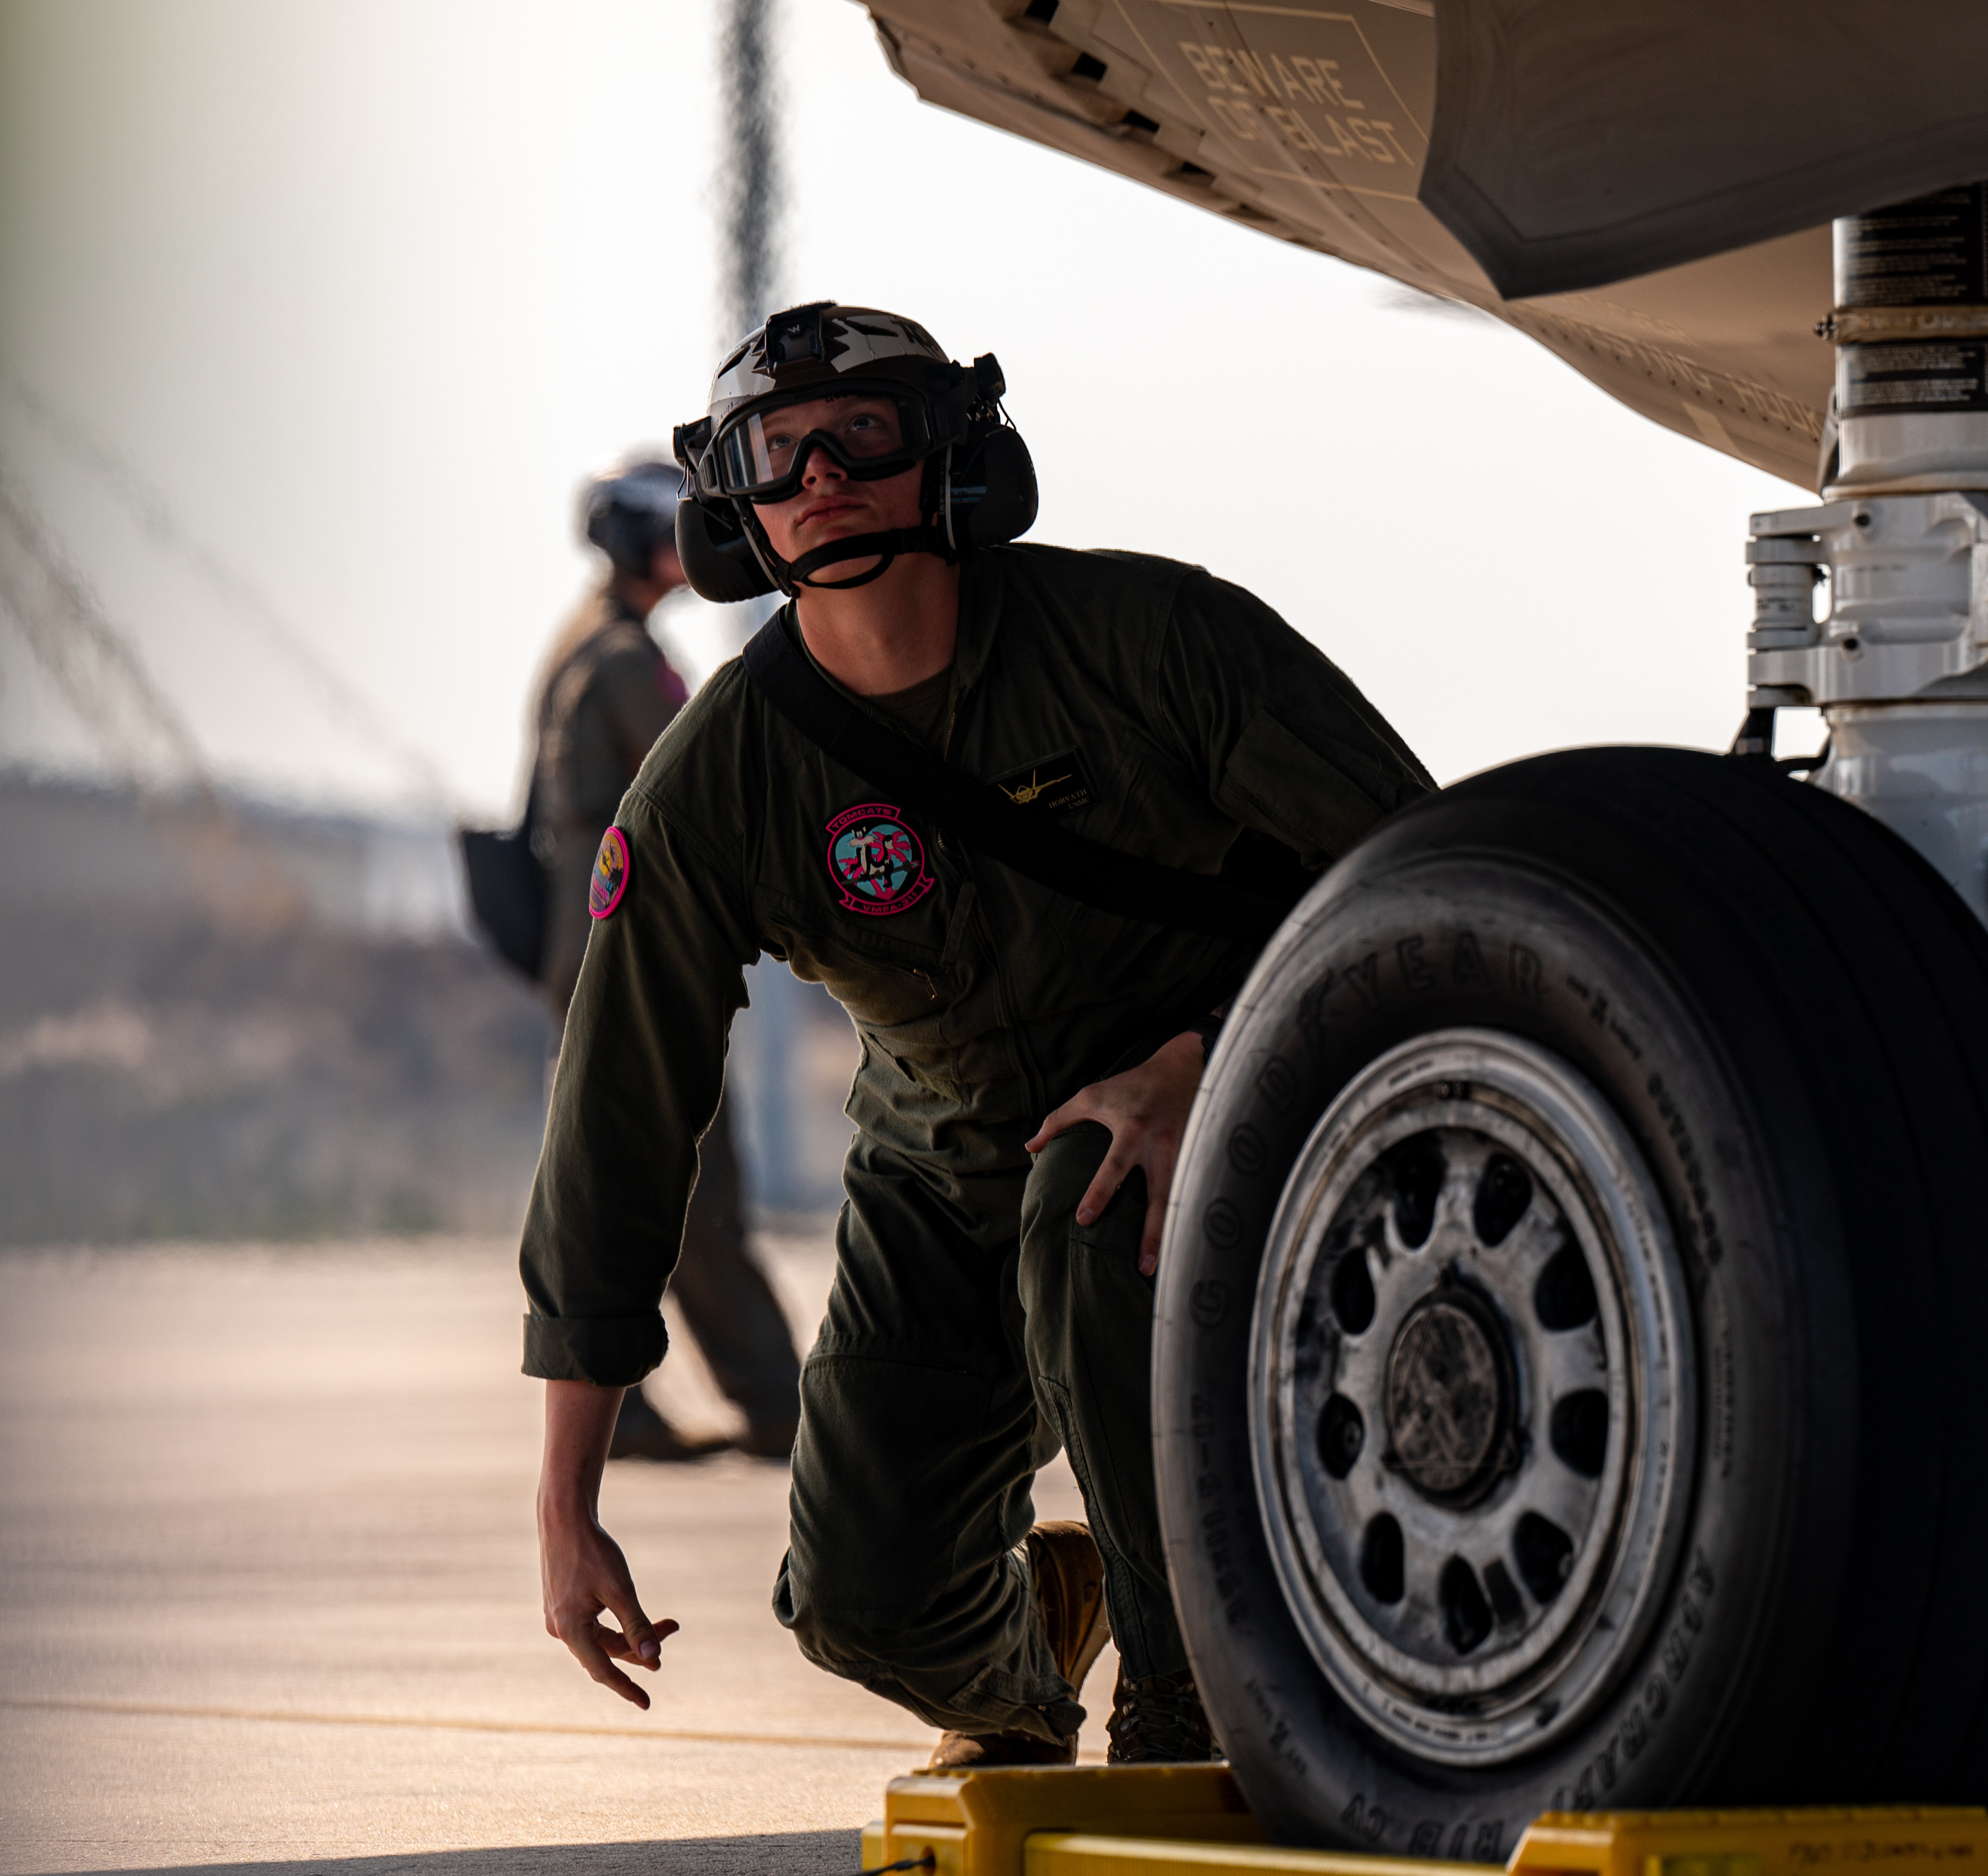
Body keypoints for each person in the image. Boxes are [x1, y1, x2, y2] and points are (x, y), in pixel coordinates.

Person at [523, 304, 1433, 1766]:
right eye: (777, 451)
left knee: (1096, 1205)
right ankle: (1033, 1660)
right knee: (861, 1600)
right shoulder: (719, 784)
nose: (822, 472)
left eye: (862, 434)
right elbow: (616, 1126)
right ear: (732, 506)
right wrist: (566, 1506)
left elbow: (1419, 868)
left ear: (951, 453)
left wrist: (1209, 1057)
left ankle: (1194, 1698)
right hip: (939, 1168)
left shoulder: (1154, 644)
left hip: (1230, 1112)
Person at [526, 460, 802, 1463]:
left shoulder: (580, 642)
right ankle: (774, 1399)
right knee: (693, 1179)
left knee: (622, 1174)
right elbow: (709, 771)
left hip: (588, 947)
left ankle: (638, 1402)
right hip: (632, 954)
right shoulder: (630, 664)